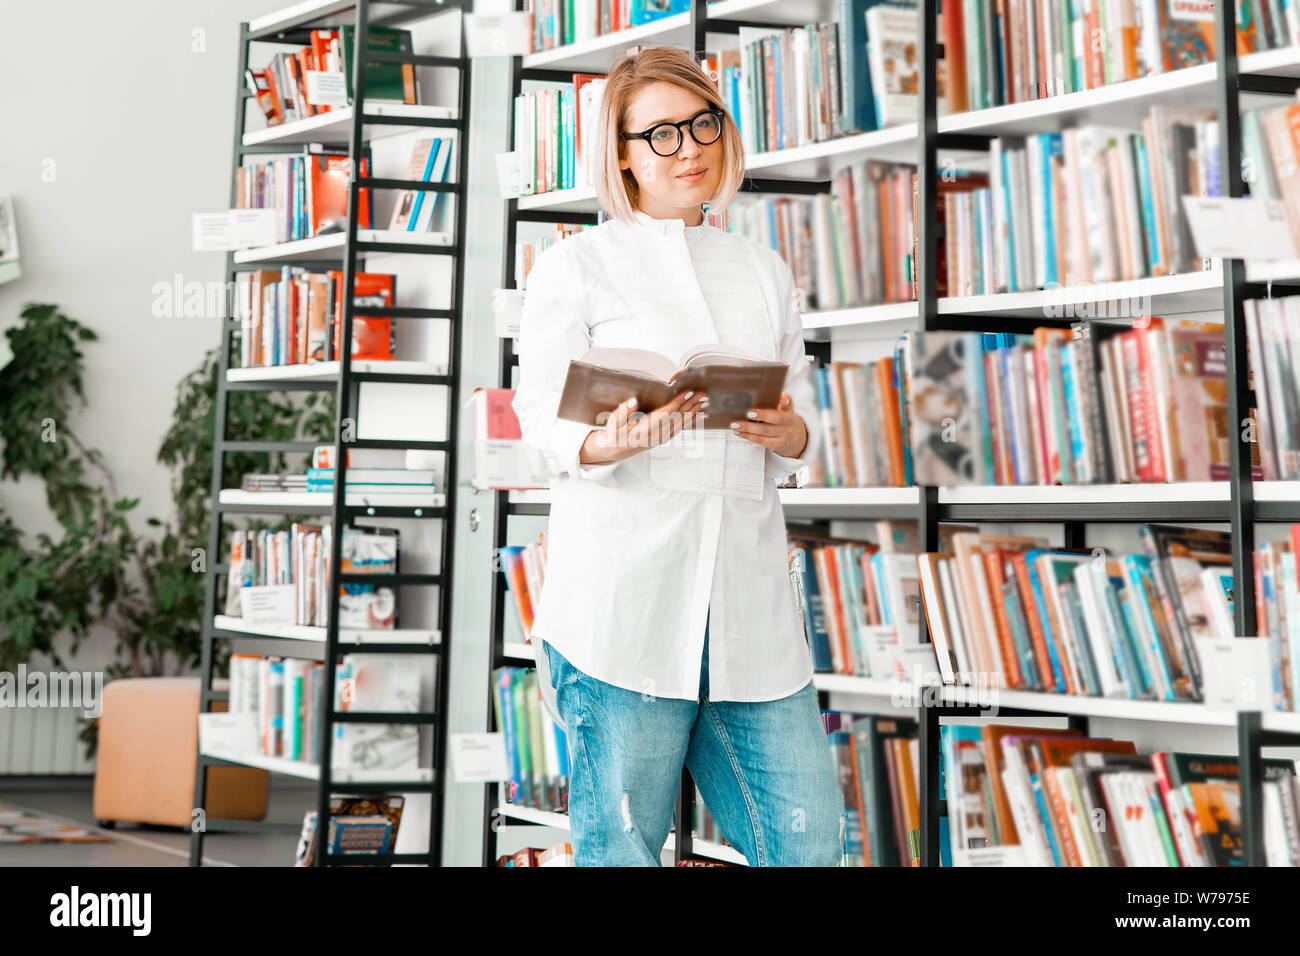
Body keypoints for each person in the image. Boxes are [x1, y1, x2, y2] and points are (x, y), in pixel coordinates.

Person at [511, 45, 844, 867]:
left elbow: (800, 423)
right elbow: (536, 416)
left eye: (700, 124)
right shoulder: (573, 266)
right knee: (623, 848)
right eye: (658, 134)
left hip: (750, 618)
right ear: (621, 153)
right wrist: (602, 440)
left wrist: (792, 438)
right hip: (621, 610)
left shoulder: (764, 272)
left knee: (809, 842)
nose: (686, 147)